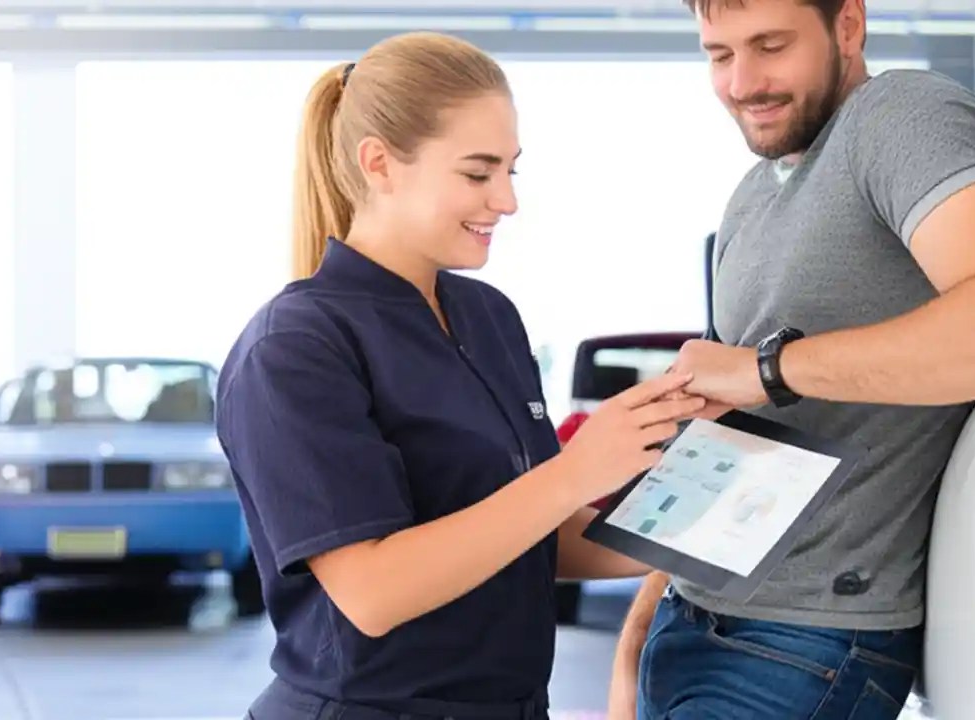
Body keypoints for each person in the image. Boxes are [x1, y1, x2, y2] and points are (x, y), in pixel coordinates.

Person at [607, 0, 975, 718]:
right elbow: (732, 435)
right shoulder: (751, 198)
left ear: (849, 26)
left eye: (771, 45)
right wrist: (642, 626)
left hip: (802, 645)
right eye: (719, 54)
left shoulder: (903, 116)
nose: (743, 81)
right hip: (689, 623)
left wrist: (766, 370)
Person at [214, 32, 703, 720]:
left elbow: (532, 534)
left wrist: (705, 528)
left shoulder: (489, 317)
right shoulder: (294, 347)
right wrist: (577, 469)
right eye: (477, 174)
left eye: (512, 170)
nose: (506, 201)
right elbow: (373, 592)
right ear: (379, 164)